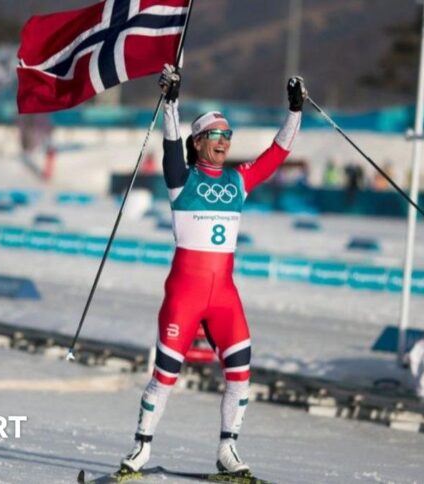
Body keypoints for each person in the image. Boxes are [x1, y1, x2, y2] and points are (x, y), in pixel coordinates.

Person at [119, 65, 305, 476]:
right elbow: (169, 144)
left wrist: (295, 111)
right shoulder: (180, 181)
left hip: (224, 297)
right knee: (164, 378)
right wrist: (171, 100)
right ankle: (141, 450)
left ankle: (228, 451)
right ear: (199, 142)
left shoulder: (239, 181)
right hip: (184, 296)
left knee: (241, 373)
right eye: (216, 135)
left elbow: (276, 155)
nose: (224, 142)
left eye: (229, 135)